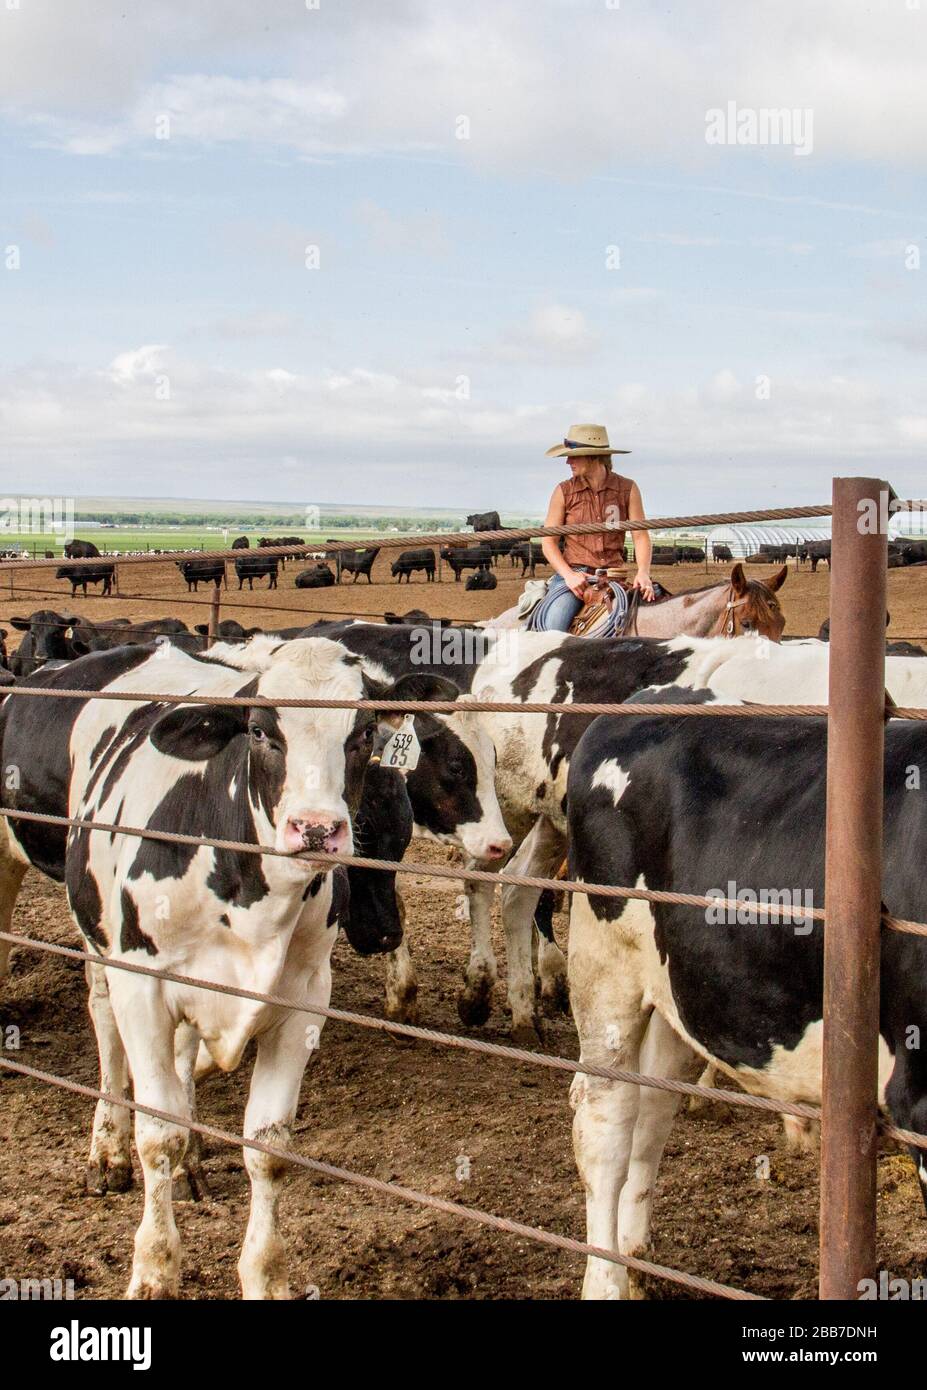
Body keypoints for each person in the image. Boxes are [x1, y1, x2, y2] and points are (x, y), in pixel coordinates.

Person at [531, 423, 654, 632]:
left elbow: (640, 536)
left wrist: (643, 572)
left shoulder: (628, 489)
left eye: (575, 456)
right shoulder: (564, 492)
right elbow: (548, 542)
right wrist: (569, 576)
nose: (568, 461)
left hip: (615, 576)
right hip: (576, 576)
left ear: (594, 456)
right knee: (553, 629)